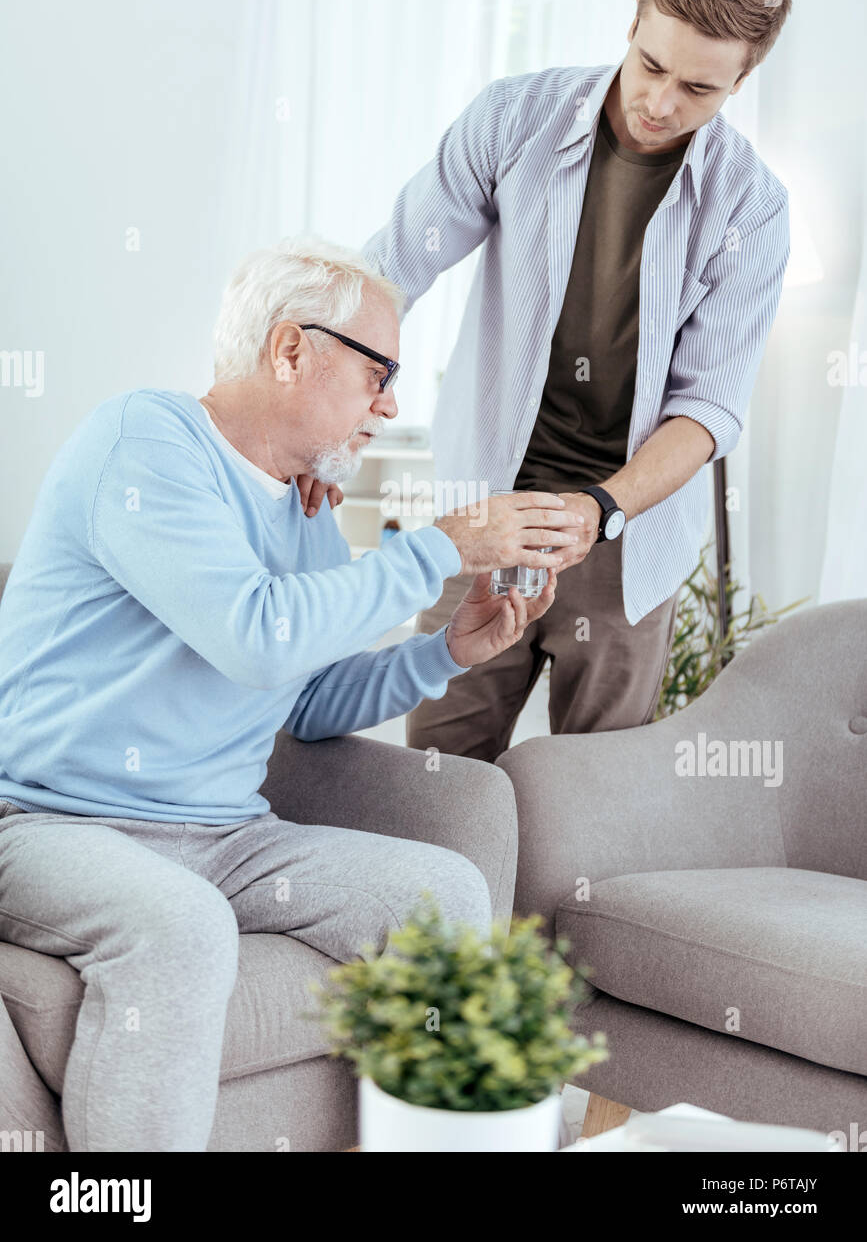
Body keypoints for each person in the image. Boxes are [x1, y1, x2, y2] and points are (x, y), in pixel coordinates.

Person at [0, 235, 587, 1151]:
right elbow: (257, 635)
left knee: (445, 893)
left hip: (225, 837)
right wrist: (444, 545)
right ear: (289, 350)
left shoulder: (305, 501)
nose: (389, 406)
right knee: (179, 926)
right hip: (48, 826)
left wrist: (447, 651)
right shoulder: (144, 442)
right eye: (378, 373)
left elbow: (302, 701)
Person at [362, 0, 793, 762]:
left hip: (624, 535)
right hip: (484, 506)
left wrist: (600, 509)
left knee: (590, 798)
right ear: (632, 22)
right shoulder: (512, 118)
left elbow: (707, 407)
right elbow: (390, 269)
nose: (661, 103)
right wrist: (318, 421)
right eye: (651, 64)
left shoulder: (753, 209)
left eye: (700, 87)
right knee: (435, 779)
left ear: (744, 79)